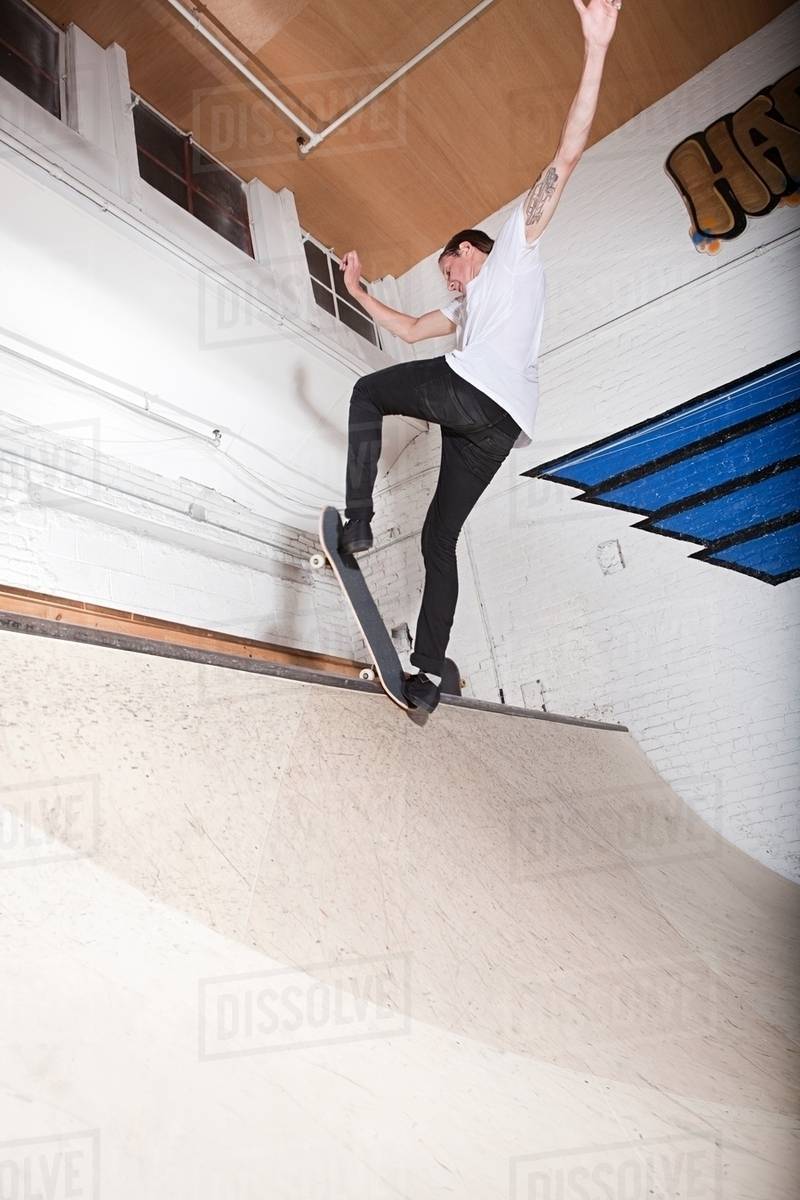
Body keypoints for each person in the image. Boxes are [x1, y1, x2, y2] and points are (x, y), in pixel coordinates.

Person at [337, 0, 621, 713]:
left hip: (474, 395)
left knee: (368, 395)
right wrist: (356, 290)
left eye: (450, 269)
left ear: (471, 251)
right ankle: (428, 678)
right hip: (499, 426)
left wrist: (595, 49)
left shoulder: (513, 252)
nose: (450, 284)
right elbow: (406, 329)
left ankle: (360, 521)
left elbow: (568, 155)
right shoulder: (470, 311)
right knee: (440, 537)